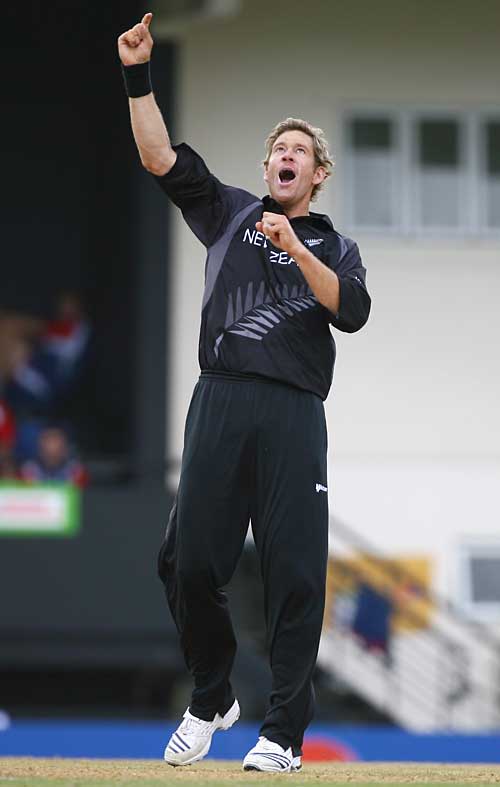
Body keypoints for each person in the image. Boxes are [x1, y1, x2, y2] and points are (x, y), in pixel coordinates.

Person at [118, 12, 371, 774]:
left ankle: (284, 733)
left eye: (299, 151)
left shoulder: (333, 243)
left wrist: (297, 249)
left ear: (317, 174)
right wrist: (137, 73)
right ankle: (213, 695)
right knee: (187, 561)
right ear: (266, 168)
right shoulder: (228, 211)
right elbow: (158, 154)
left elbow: (351, 312)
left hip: (294, 411)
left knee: (295, 572)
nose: (285, 157)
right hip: (221, 398)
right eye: (277, 150)